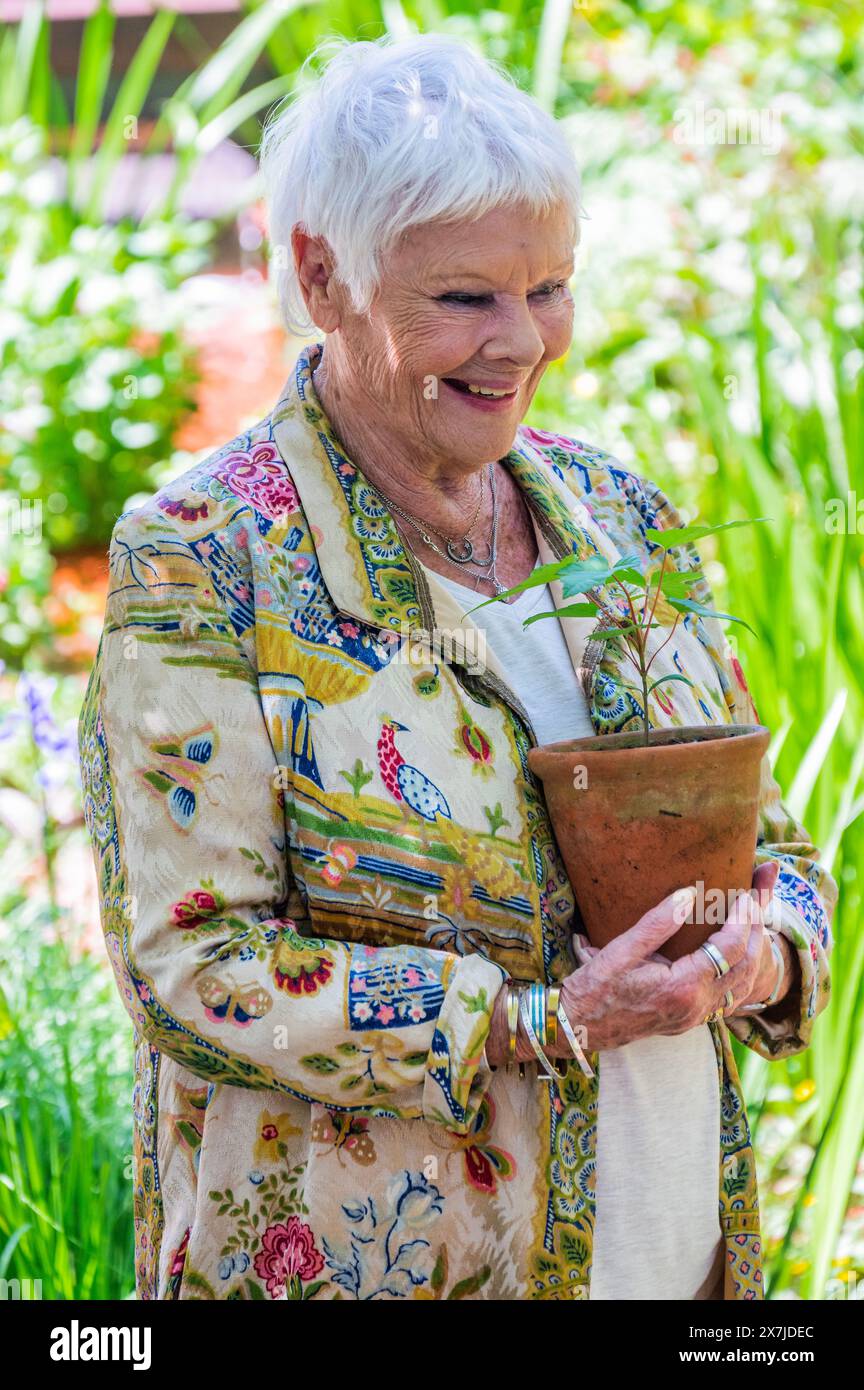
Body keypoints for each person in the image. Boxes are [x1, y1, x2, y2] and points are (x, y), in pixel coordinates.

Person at [79, 32, 836, 1302]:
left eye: (549, 287)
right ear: (322, 276)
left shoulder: (622, 518)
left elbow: (778, 853)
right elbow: (193, 965)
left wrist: (761, 951)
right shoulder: (211, 559)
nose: (524, 342)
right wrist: (539, 1024)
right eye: (466, 298)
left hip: (683, 1266)